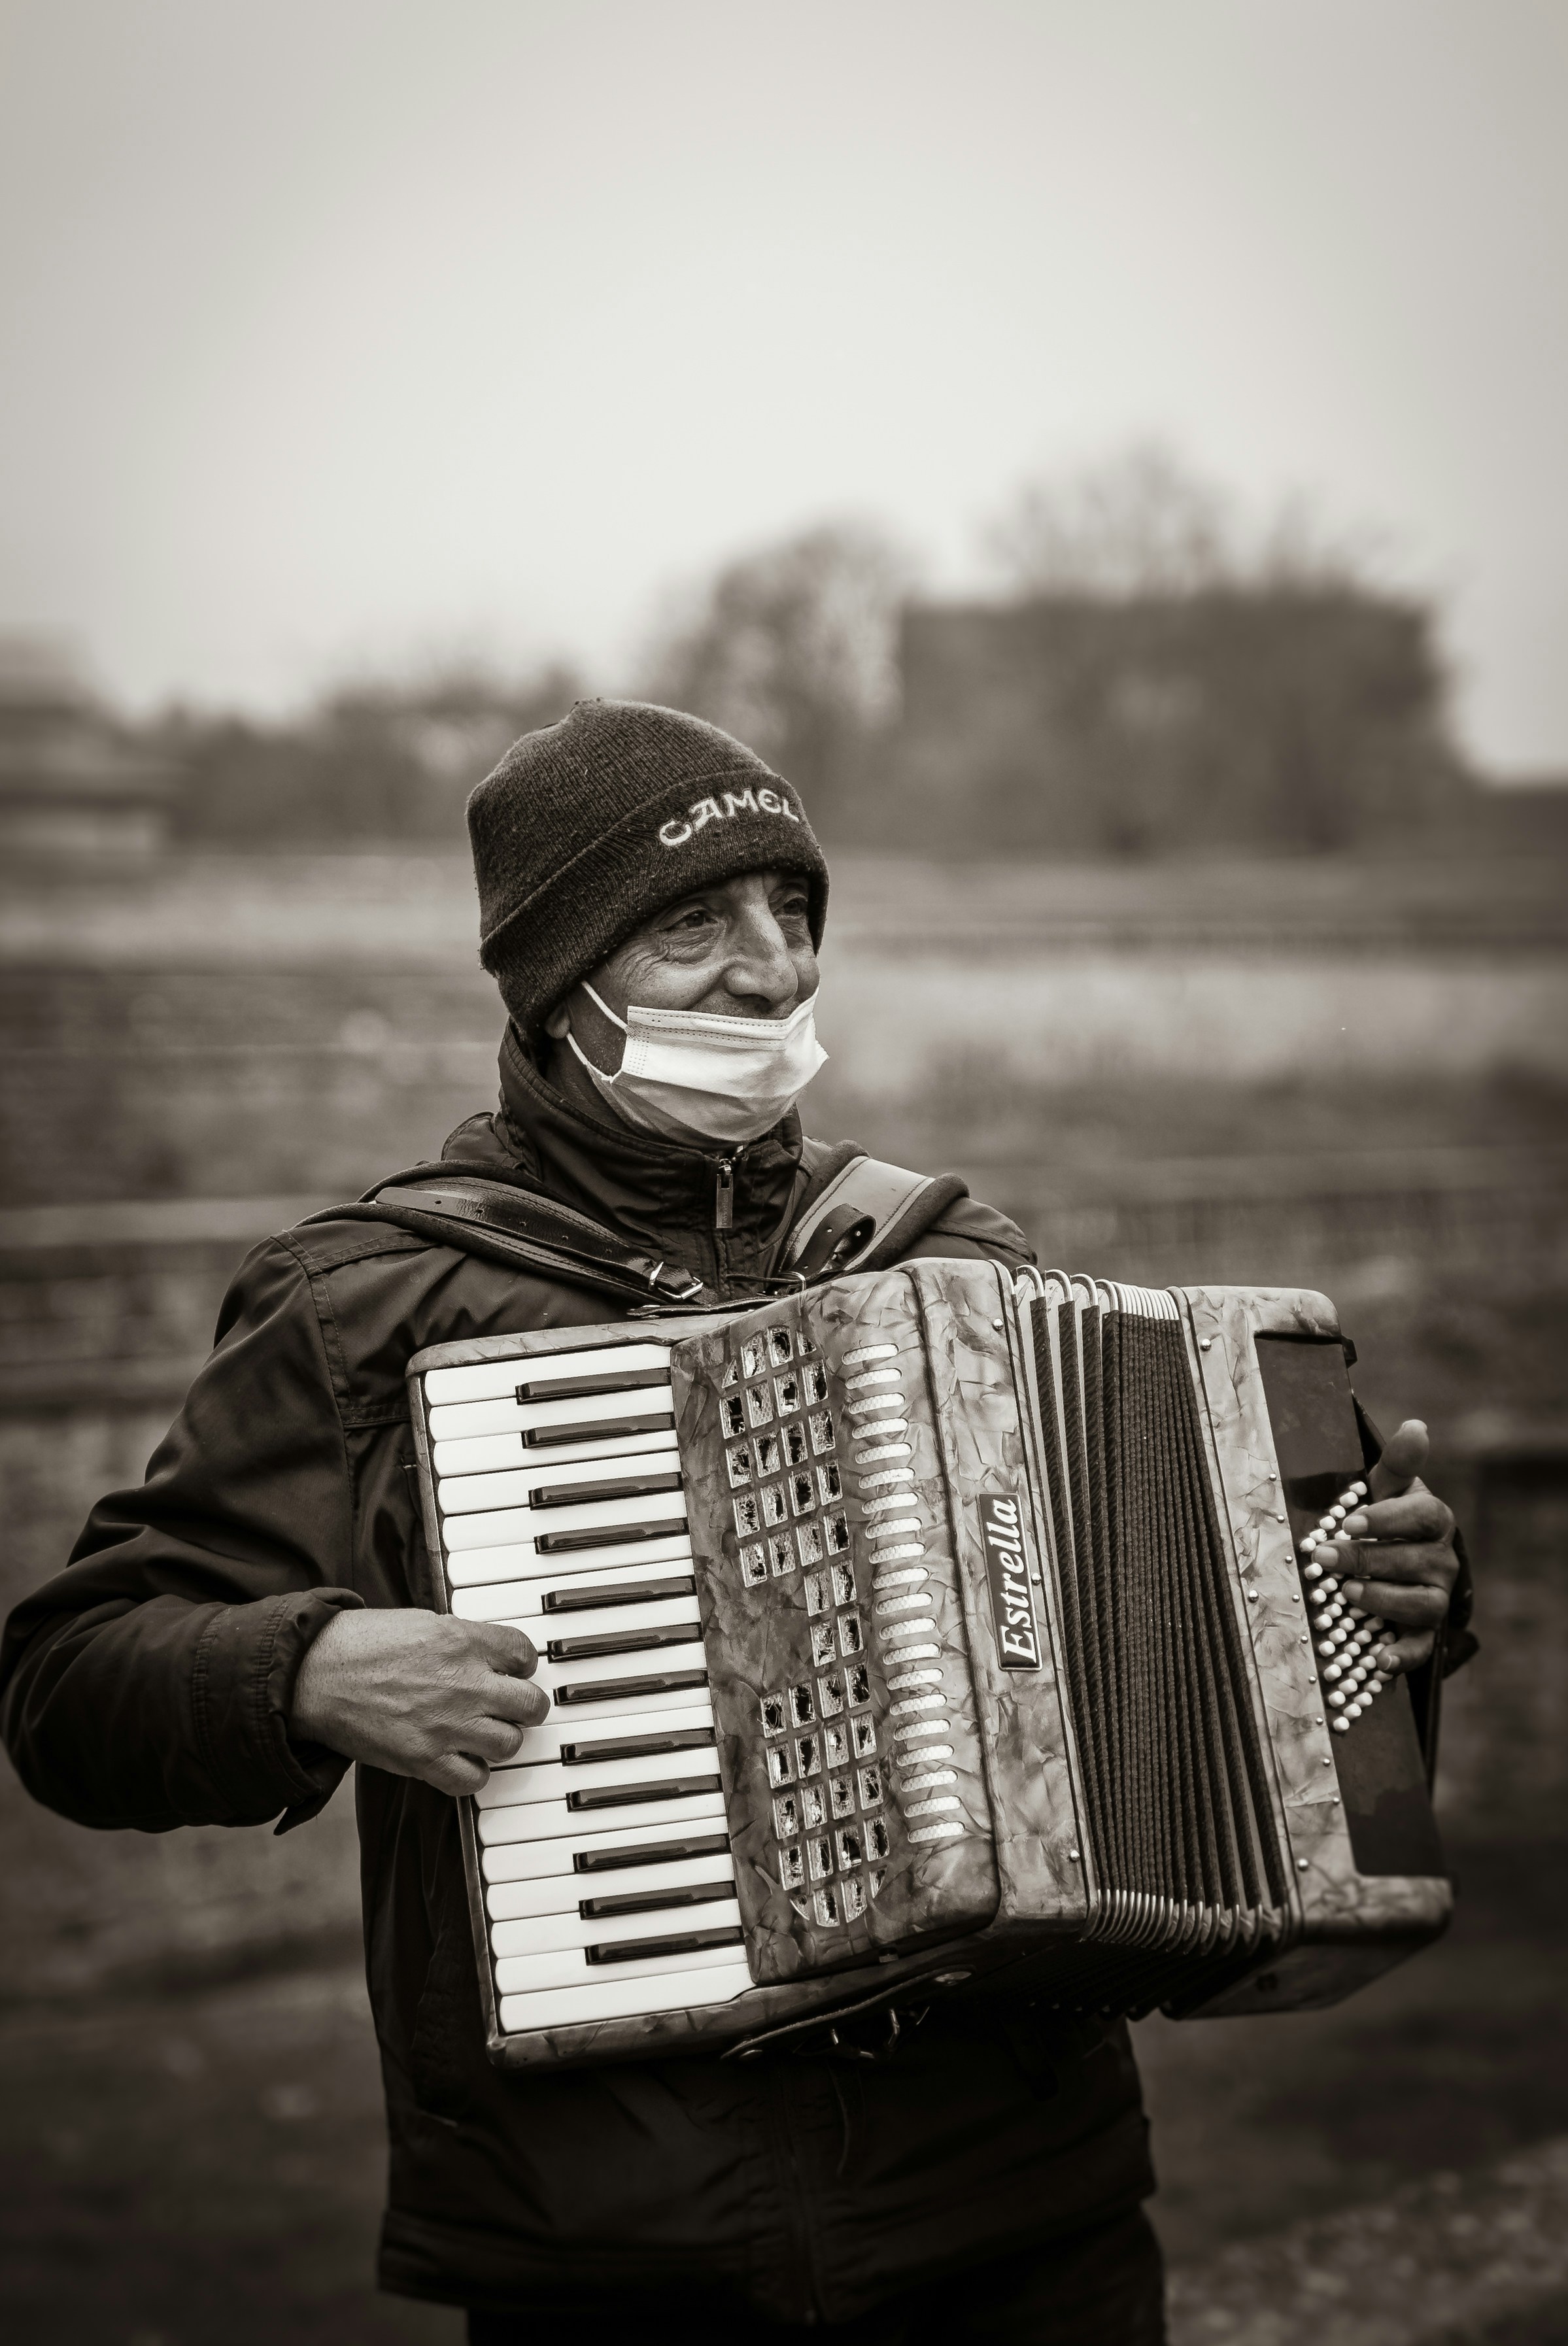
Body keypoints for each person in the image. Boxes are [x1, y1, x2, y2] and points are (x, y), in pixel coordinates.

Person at [0, 702, 1470, 2345]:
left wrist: (1370, 1595)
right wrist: (302, 1669)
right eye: (692, 924)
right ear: (560, 985)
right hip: (617, 2259)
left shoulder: (949, 1255)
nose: (770, 970)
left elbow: (1180, 1647)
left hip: (1027, 2216)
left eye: (793, 915)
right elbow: (71, 1679)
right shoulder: (368, 1307)